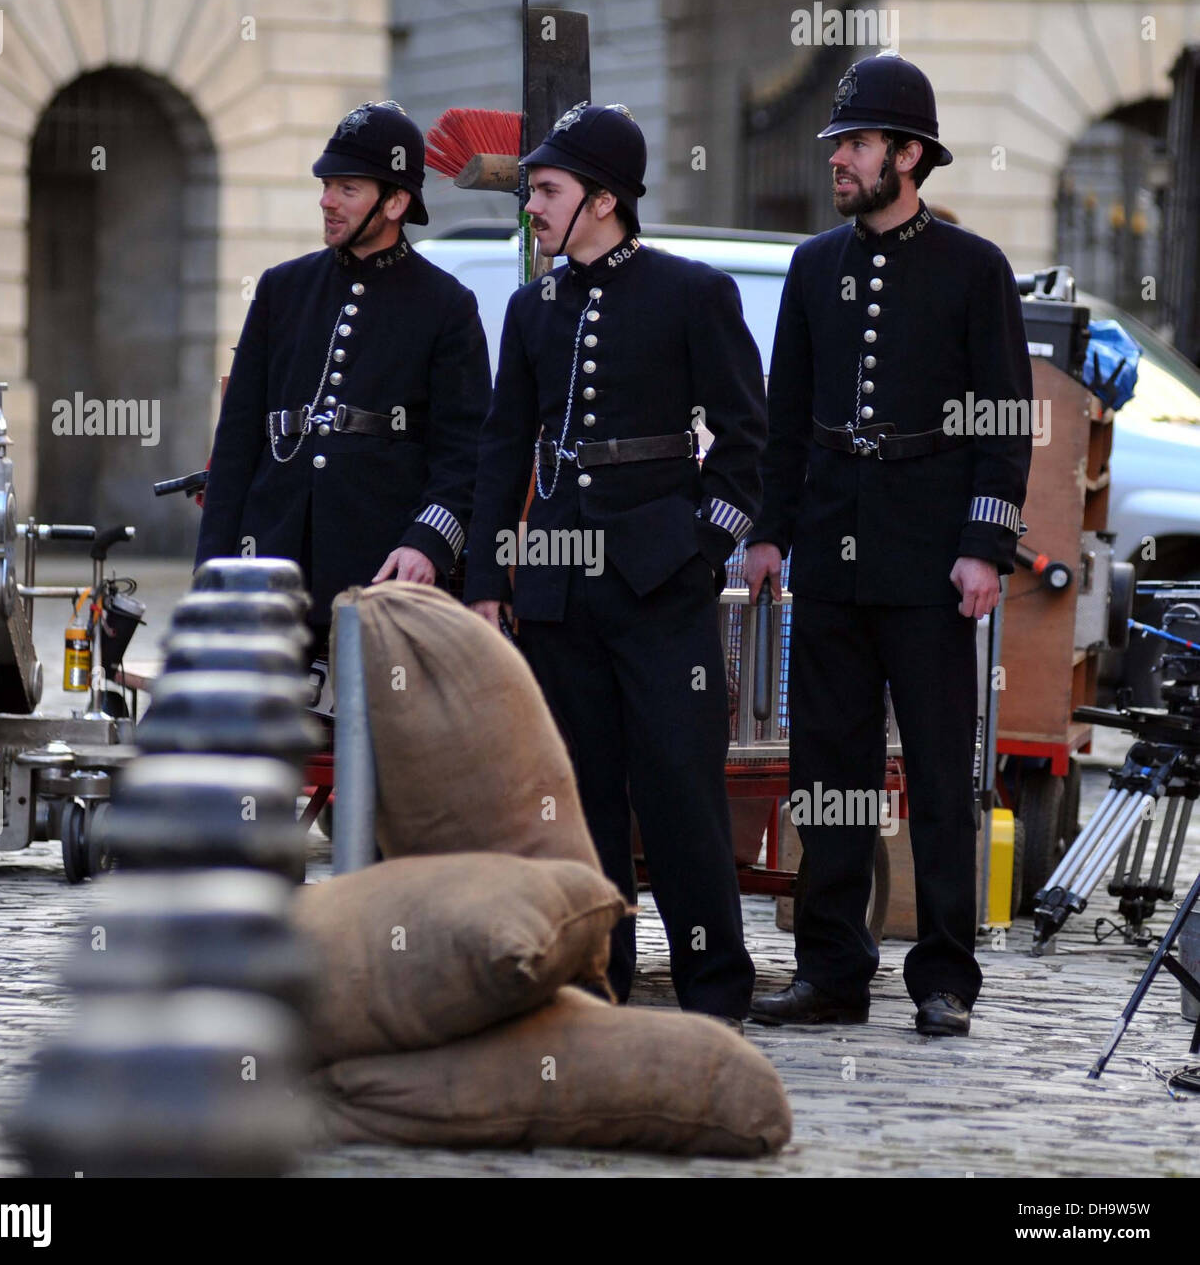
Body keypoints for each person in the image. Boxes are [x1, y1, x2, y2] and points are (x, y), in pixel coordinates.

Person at [743, 52, 1033, 1037]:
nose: (839, 160)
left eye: (856, 143)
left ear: (907, 154)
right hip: (830, 546)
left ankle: (944, 975)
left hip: (927, 551)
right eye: (837, 144)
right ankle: (831, 970)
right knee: (829, 772)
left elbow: (1000, 416)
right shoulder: (811, 266)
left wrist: (983, 546)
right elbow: (785, 417)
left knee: (943, 773)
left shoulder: (972, 267)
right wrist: (770, 531)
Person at [465, 103, 767, 1028]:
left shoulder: (692, 293)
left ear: (603, 200)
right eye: (531, 193)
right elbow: (502, 447)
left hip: (660, 587)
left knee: (679, 790)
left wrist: (700, 547)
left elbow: (750, 442)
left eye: (548, 193)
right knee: (579, 796)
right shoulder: (529, 309)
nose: (533, 210)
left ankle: (716, 990)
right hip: (557, 589)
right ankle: (599, 980)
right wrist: (486, 580)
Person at [195, 100, 490, 652]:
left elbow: (464, 453)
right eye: (327, 185)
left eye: (348, 189)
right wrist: (212, 571)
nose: (328, 201)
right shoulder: (282, 289)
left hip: (379, 576)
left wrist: (427, 543)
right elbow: (236, 443)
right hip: (270, 572)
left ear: (397, 201)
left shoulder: (446, 305)